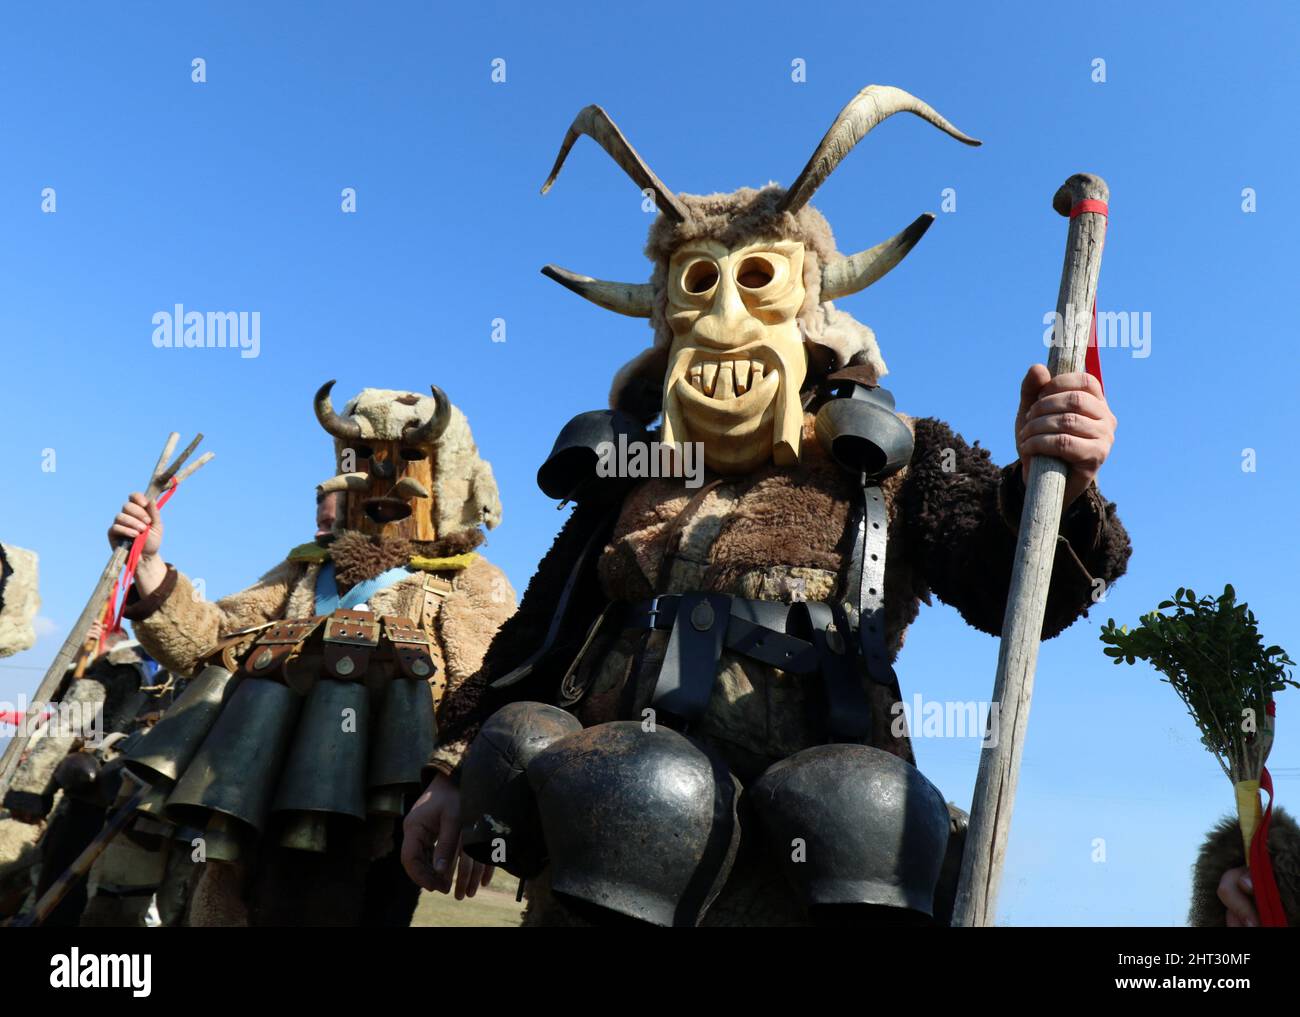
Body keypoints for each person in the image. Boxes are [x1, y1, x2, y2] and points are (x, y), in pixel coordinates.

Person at [402, 85, 1132, 926]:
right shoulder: (635, 471)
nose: (722, 318)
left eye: (756, 280)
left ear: (812, 307)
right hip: (604, 847)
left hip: (809, 856)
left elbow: (1019, 594)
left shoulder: (893, 458)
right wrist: (454, 769)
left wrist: (1060, 486)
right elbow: (542, 627)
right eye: (698, 283)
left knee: (857, 821)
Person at [110, 382, 514, 924]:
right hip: (257, 792)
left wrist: (456, 780)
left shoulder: (472, 581)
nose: (384, 475)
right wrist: (150, 565)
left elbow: (483, 688)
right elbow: (206, 641)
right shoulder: (305, 568)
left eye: (412, 457)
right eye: (366, 457)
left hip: (383, 809)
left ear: (448, 475)